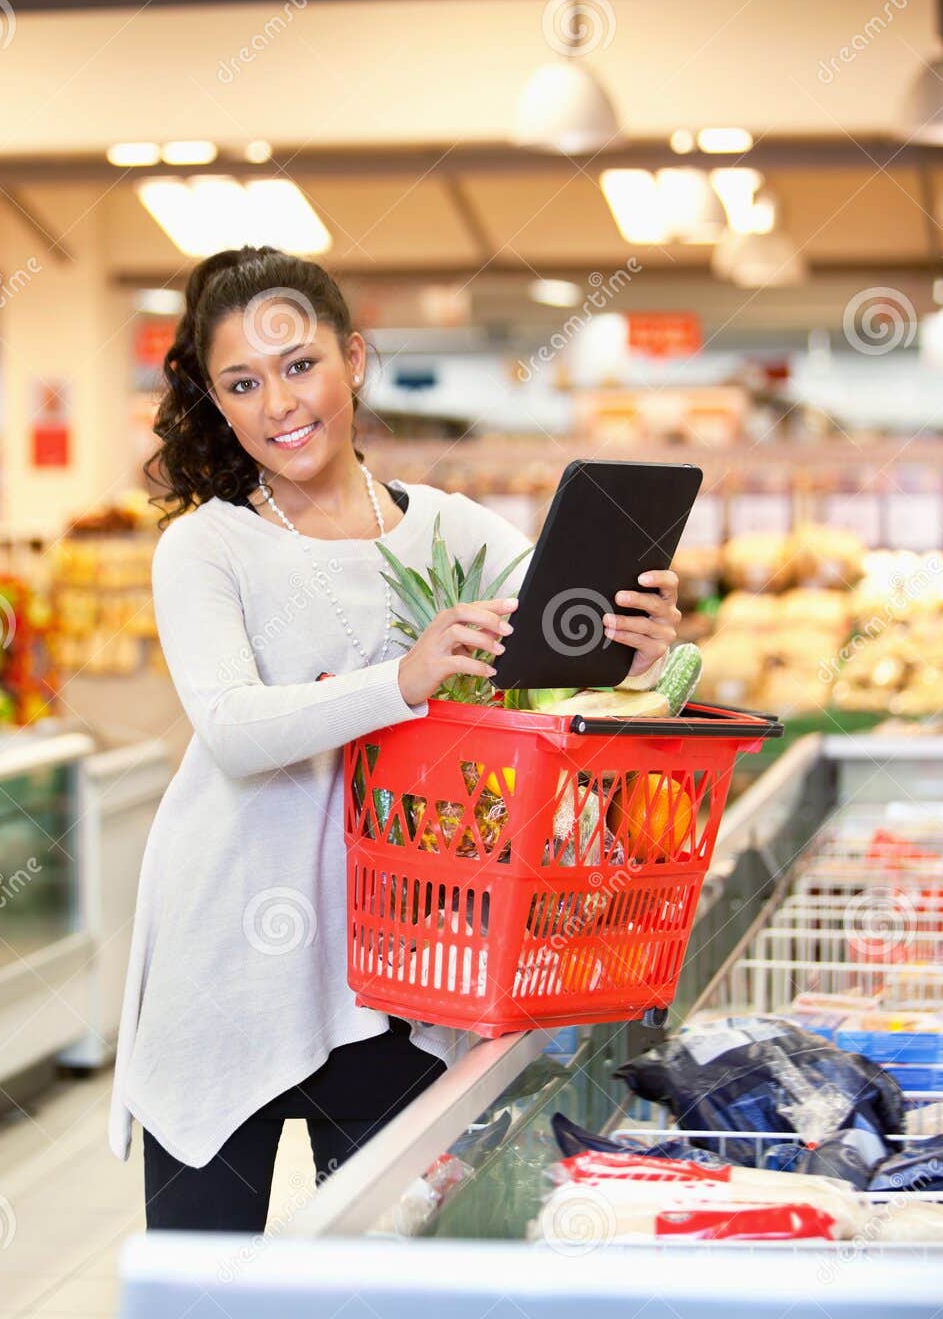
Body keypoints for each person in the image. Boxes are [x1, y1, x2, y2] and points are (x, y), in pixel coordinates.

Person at [106, 243, 682, 1233]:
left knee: (385, 1269)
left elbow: (560, 640)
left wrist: (636, 650)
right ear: (217, 398)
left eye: (299, 367)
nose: (279, 404)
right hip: (226, 956)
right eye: (243, 383)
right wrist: (403, 677)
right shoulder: (205, 545)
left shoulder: (449, 532)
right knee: (206, 1287)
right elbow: (234, 729)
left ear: (354, 358)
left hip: (396, 970)